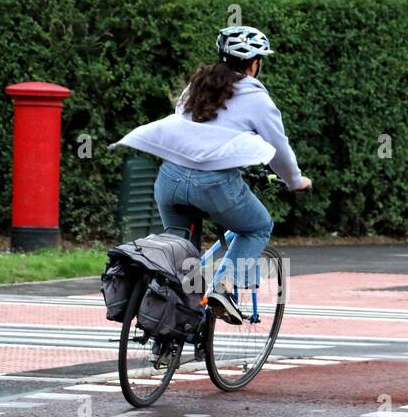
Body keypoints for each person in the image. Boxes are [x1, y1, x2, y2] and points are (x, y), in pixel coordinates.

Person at [113, 25, 311, 323]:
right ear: (255, 63)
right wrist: (295, 181)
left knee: (178, 256)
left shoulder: (196, 86)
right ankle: (224, 287)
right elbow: (278, 149)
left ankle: (167, 333)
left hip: (170, 180)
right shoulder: (257, 98)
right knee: (257, 225)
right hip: (215, 183)